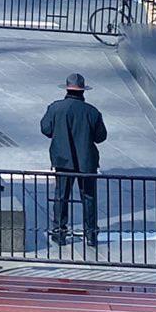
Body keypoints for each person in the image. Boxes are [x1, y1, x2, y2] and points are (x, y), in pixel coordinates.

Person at [41, 73, 107, 249]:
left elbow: (46, 129)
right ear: (83, 91)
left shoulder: (55, 108)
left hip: (62, 160)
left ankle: (60, 232)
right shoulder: (92, 112)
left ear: (67, 88)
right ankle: (91, 234)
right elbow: (101, 137)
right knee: (89, 197)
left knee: (61, 196)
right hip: (87, 161)